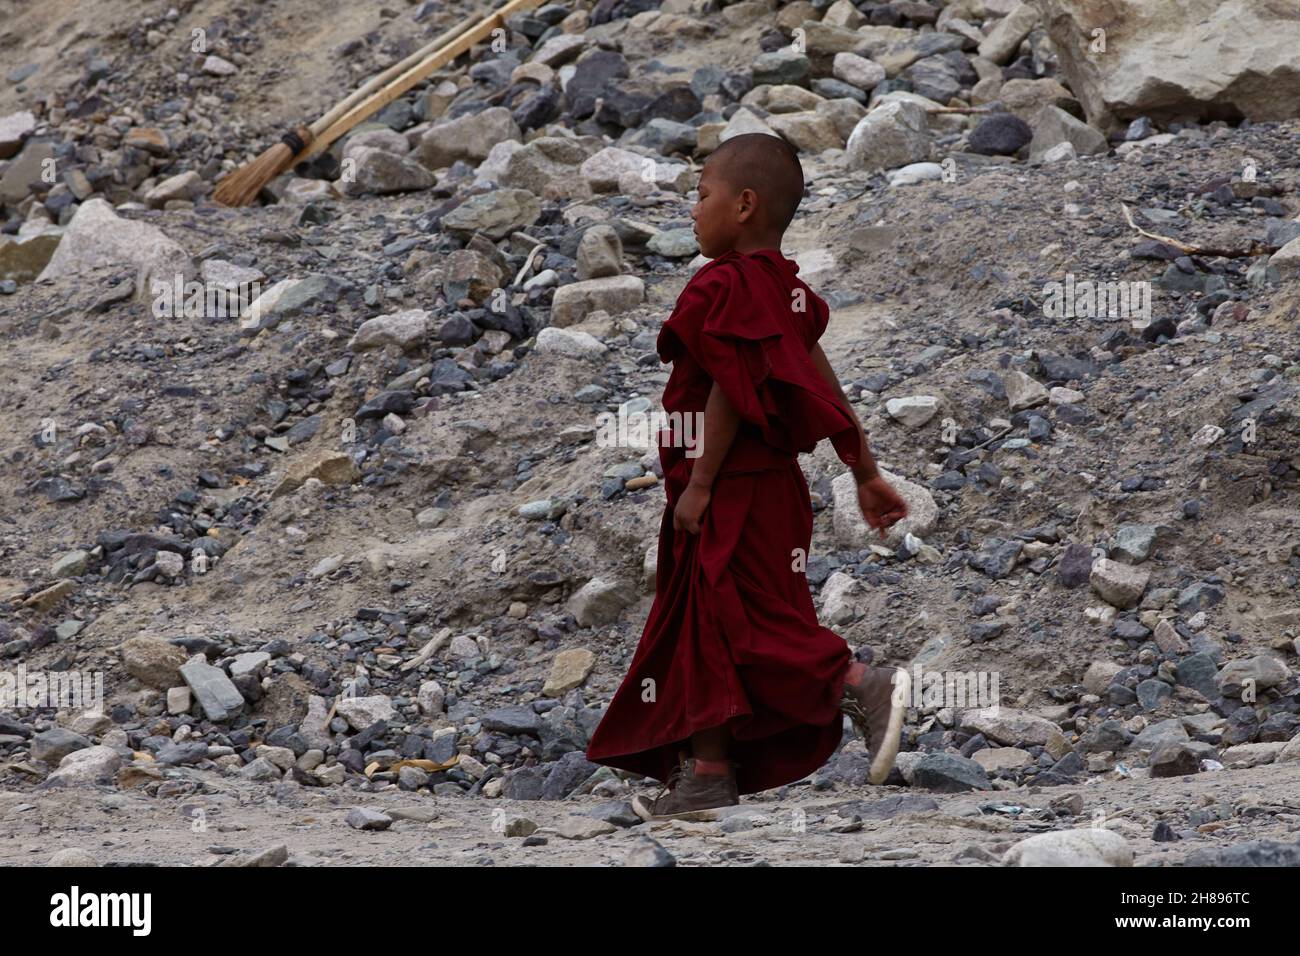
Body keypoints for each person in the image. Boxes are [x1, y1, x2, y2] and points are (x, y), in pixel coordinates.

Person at [584, 133, 912, 820]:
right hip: (761, 488)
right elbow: (820, 377)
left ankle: (859, 681)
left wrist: (701, 482)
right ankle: (708, 771)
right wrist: (864, 468)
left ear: (744, 204)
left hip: (734, 486)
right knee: (707, 621)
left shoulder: (728, 283)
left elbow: (730, 388)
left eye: (701, 196)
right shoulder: (783, 291)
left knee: (739, 619)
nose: (693, 211)